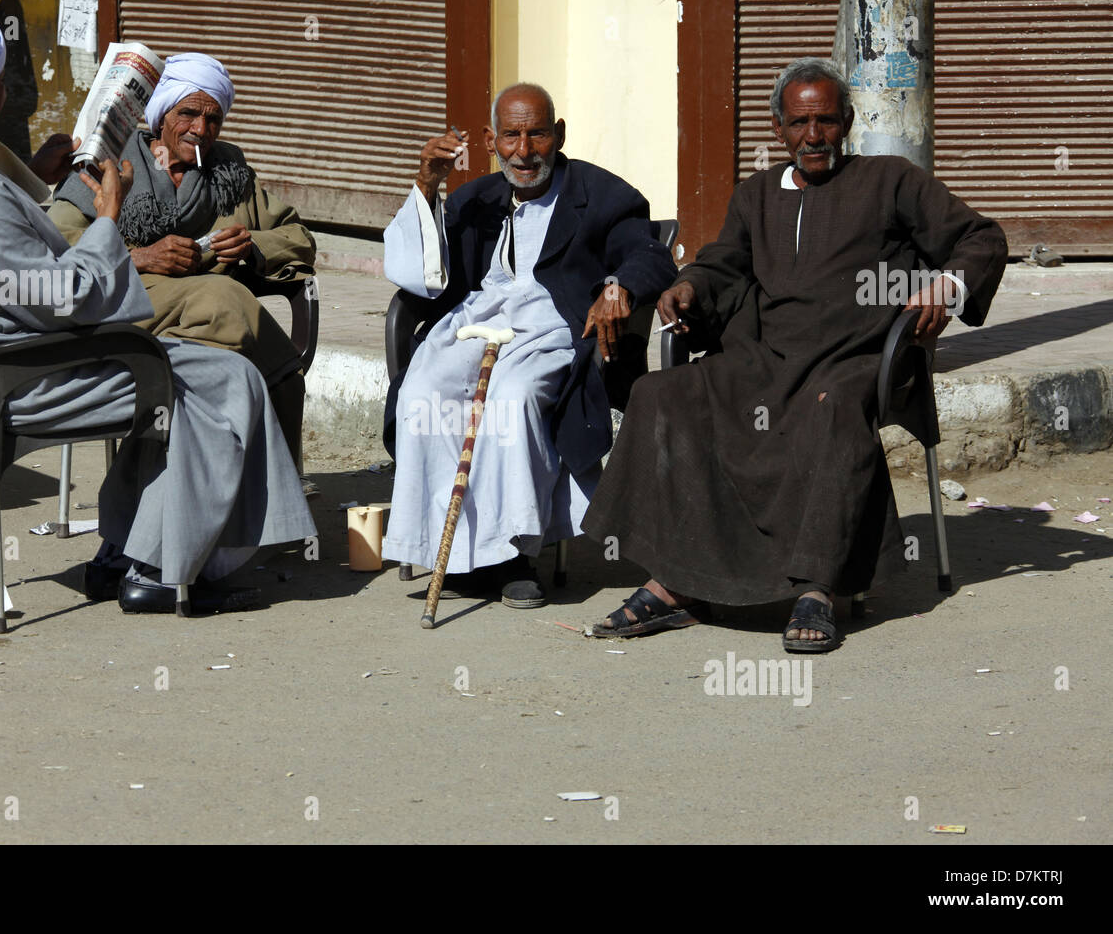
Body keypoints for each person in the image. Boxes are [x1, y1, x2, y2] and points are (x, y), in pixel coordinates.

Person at [0, 12, 315, 614]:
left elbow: (6, 250)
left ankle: (124, 550)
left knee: (214, 371)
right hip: (29, 376)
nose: (200, 127)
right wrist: (109, 215)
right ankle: (165, 571)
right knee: (221, 380)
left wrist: (37, 174)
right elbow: (68, 299)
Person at [581, 57, 1008, 651]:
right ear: (778, 127)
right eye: (800, 122)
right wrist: (688, 286)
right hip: (766, 357)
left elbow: (981, 237)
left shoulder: (891, 181)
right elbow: (721, 263)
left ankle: (818, 586)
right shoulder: (757, 194)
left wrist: (947, 286)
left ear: (849, 122)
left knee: (833, 408)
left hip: (856, 358)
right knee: (662, 394)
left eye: (827, 121)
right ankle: (676, 580)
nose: (814, 136)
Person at [381, 83, 676, 608]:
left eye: (537, 134)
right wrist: (427, 188)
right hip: (476, 324)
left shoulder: (604, 195)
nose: (525, 150)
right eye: (511, 136)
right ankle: (454, 550)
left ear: (557, 135)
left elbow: (650, 254)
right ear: (492, 140)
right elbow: (427, 277)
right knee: (424, 389)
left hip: (553, 329)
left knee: (512, 398)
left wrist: (618, 287)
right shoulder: (475, 199)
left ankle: (518, 554)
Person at [49, 53, 315, 469]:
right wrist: (139, 256)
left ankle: (274, 490)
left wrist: (252, 246)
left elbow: (298, 239)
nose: (200, 130)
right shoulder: (110, 159)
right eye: (188, 113)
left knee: (269, 372)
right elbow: (57, 245)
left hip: (209, 327)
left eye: (213, 120)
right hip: (127, 310)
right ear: (160, 115)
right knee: (223, 296)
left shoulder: (229, 170)